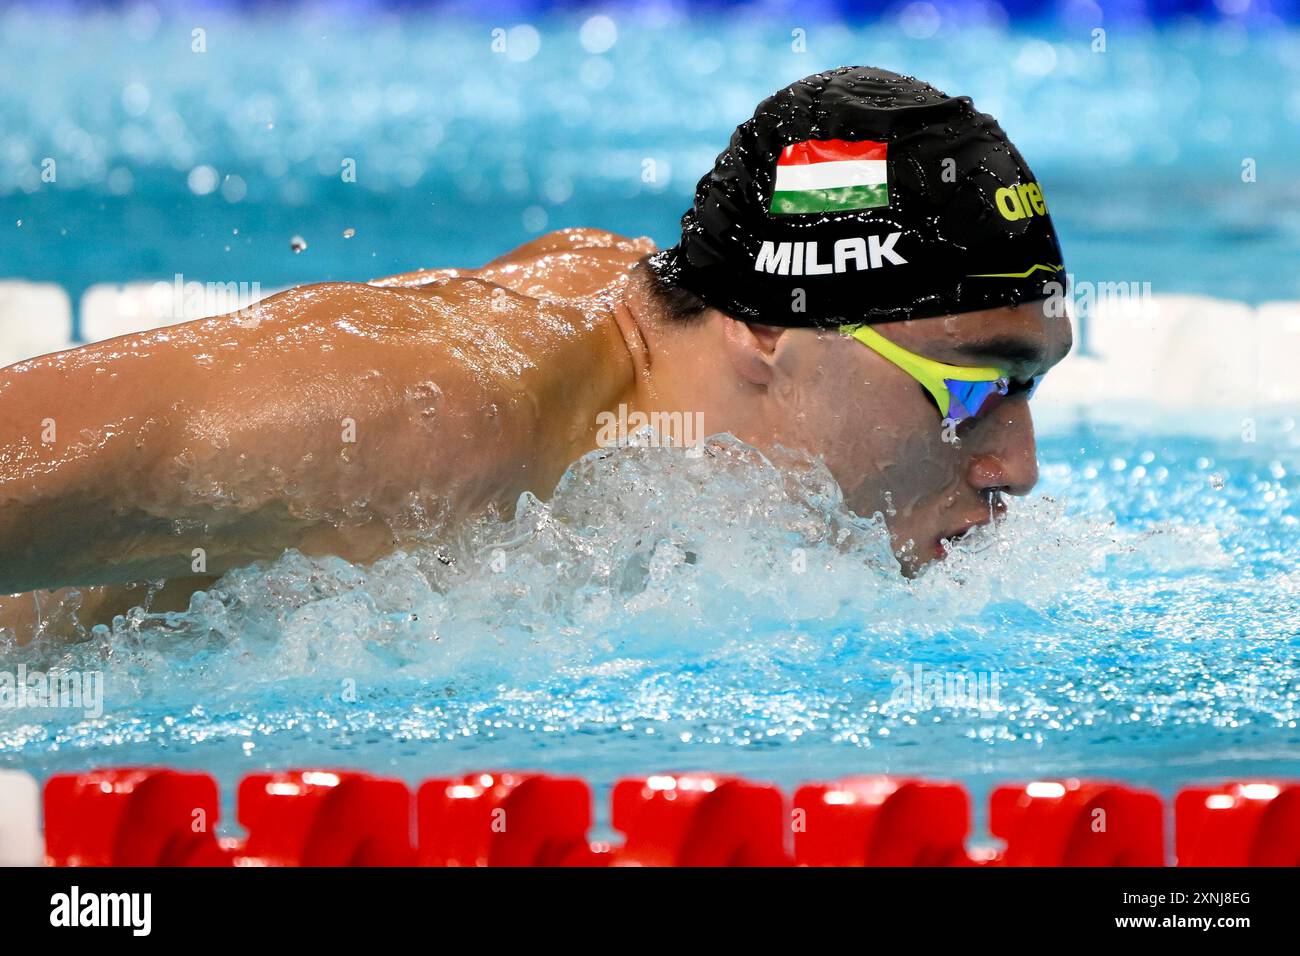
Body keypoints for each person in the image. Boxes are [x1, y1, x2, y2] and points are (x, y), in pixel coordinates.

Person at [0, 66, 1071, 643]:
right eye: (974, 385)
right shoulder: (426, 418)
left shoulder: (650, 342)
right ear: (767, 327)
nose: (1013, 461)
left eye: (1026, 387)